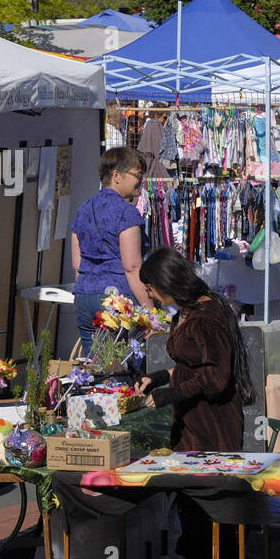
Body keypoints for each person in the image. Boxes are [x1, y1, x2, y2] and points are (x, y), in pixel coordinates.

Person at [138, 247, 253, 452]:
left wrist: (171, 394)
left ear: (165, 282)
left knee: (207, 481)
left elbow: (216, 376)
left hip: (213, 423)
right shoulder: (185, 311)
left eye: (150, 288)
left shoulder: (206, 318)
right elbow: (193, 366)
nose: (150, 295)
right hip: (190, 420)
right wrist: (159, 378)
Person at [70, 146, 153, 354]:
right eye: (137, 175)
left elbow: (77, 264)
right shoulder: (127, 214)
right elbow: (133, 267)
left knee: (94, 369)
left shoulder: (83, 209)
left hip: (84, 297)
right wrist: (151, 313)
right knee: (122, 369)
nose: (141, 181)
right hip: (116, 301)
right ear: (116, 175)